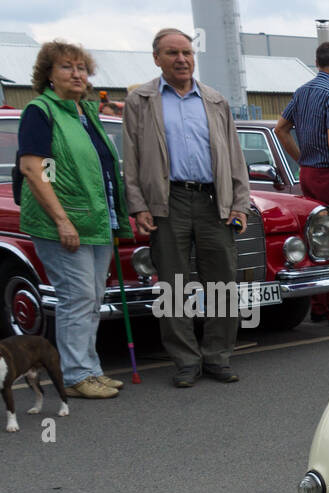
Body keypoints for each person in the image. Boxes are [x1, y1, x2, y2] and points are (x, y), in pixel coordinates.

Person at [123, 28, 250, 387]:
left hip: (214, 201)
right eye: (172, 53)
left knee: (223, 281)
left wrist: (240, 203)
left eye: (187, 53)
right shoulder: (141, 101)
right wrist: (138, 205)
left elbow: (235, 159)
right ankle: (185, 361)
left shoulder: (214, 100)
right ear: (157, 58)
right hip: (168, 202)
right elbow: (130, 159)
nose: (181, 59)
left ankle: (218, 357)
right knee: (174, 285)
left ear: (194, 57)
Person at [16, 39, 132, 399]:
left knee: (92, 296)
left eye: (82, 67)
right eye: (67, 67)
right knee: (77, 296)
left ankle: (90, 369)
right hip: (63, 224)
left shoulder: (86, 114)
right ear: (48, 75)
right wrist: (61, 220)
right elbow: (34, 170)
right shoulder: (41, 112)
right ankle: (75, 374)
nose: (77, 73)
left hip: (95, 221)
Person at [274, 41, 329, 327]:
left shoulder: (301, 92)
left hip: (309, 172)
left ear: (317, 63)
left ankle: (320, 305)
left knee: (315, 239)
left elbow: (281, 129)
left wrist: (302, 159)